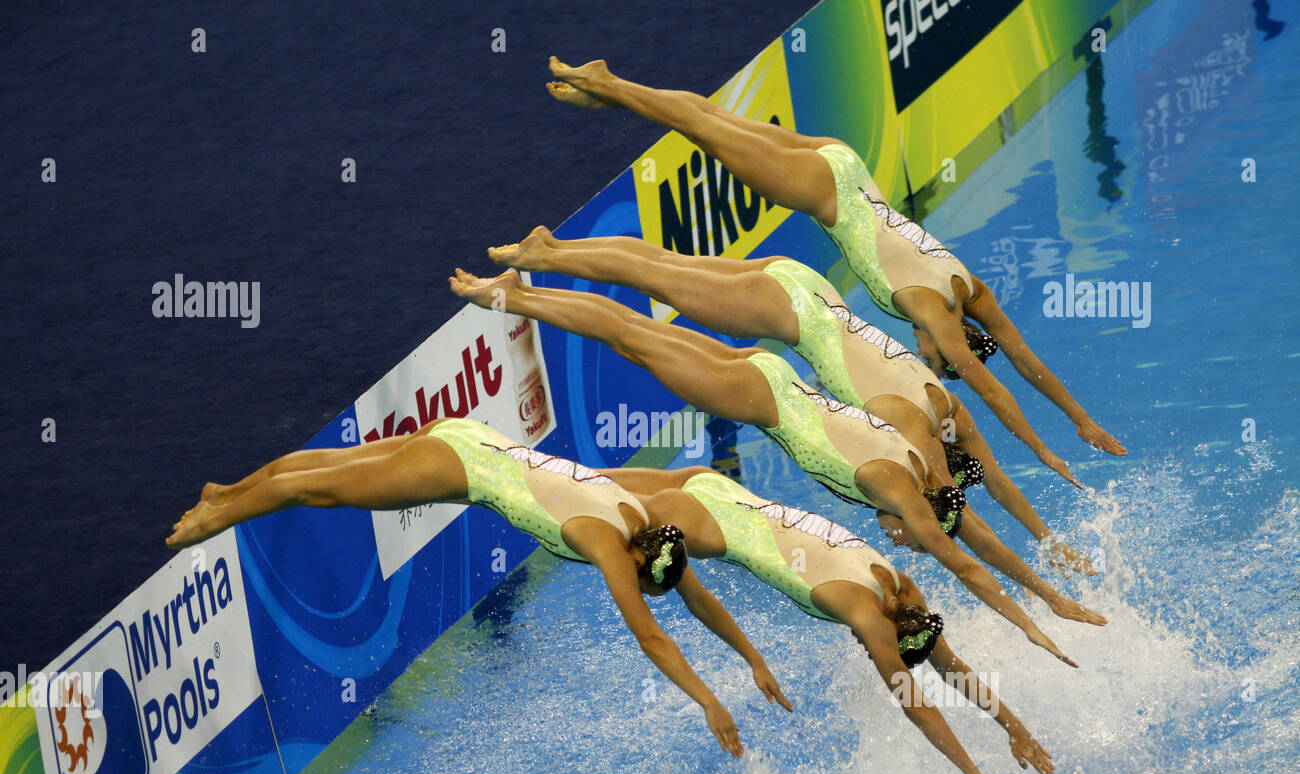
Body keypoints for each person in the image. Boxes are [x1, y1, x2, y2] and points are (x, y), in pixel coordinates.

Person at [450, 268, 1103, 667]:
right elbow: (960, 558)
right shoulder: (899, 487)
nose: (898, 540)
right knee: (632, 335)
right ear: (921, 510)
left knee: (640, 330)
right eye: (908, 532)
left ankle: (527, 286)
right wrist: (1030, 622)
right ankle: (517, 292)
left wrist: (1050, 595)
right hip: (761, 396)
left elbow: (974, 543)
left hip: (772, 381)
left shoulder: (926, 460)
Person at [544, 57, 1128, 484]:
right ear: (949, 347)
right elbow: (990, 380)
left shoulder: (972, 292)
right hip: (827, 193)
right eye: (934, 356)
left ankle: (608, 91)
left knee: (716, 121)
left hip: (843, 164)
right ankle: (609, 82)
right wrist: (1042, 451)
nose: (922, 352)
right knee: (708, 131)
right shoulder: (935, 312)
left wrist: (1078, 419)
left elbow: (1020, 352)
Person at [165, 417, 794, 757]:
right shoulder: (609, 548)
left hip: (470, 433)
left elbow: (696, 596)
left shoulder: (645, 519)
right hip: (458, 465)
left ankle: (227, 490)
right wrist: (709, 700)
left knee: (328, 469)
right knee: (323, 490)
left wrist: (753, 658)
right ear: (637, 567)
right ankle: (217, 516)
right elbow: (652, 637)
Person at [489, 226, 1095, 573]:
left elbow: (987, 490)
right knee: (645, 317)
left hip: (806, 299)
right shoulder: (905, 461)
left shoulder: (939, 424)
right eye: (905, 529)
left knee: (665, 276)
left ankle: (551, 254)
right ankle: (542, 265)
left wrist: (1048, 506)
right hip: (786, 328)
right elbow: (963, 542)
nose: (896, 535)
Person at [603, 464, 1056, 774]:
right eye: (882, 650)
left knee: (582, 479)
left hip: (722, 492)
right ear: (889, 637)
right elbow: (917, 704)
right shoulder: (870, 616)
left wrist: (1014, 728)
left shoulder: (899, 590)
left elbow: (950, 666)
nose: (867, 648)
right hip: (709, 526)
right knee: (590, 510)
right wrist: (972, 773)